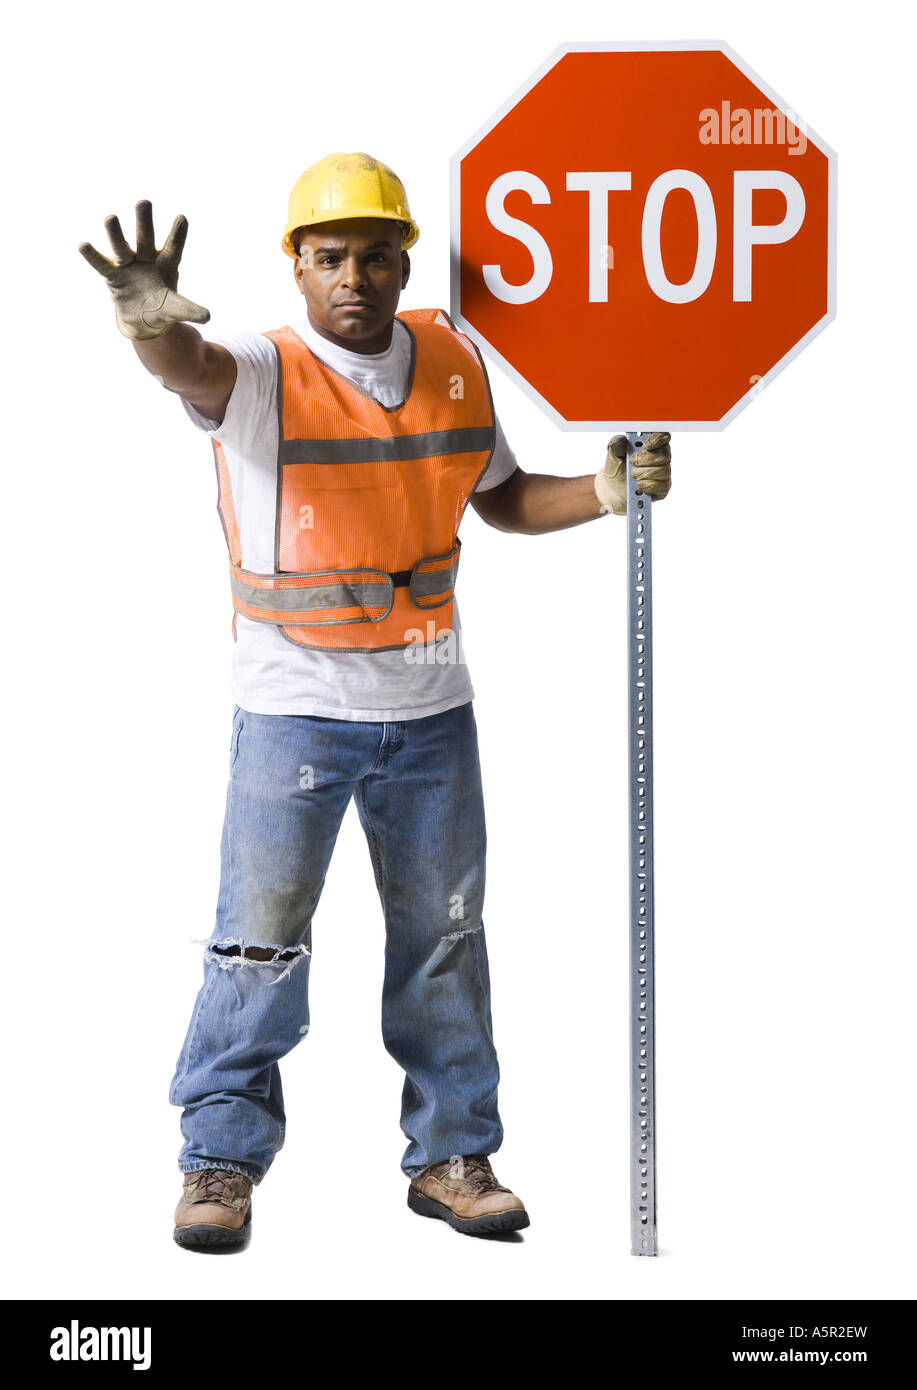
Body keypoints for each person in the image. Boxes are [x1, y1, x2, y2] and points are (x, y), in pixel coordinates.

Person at [79, 152, 672, 1252]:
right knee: (257, 944)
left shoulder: (454, 362)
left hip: (432, 707)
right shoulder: (262, 371)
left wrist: (598, 491)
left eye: (373, 253)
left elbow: (500, 498)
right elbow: (189, 366)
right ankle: (217, 1160)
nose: (352, 274)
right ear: (297, 268)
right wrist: (146, 324)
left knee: (445, 938)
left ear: (404, 261)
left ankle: (452, 1155)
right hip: (292, 706)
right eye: (328, 256)